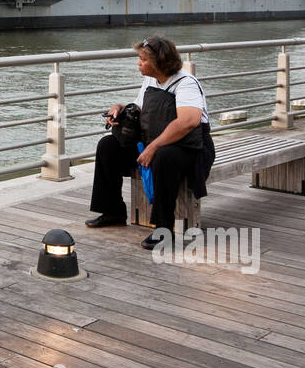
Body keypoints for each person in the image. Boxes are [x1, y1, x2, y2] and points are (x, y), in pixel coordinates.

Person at [86, 35, 215, 249]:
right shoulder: (151, 80)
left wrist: (153, 147)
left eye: (143, 59)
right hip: (155, 139)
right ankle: (113, 211)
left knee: (163, 157)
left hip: (191, 147)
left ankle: (164, 229)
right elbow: (140, 107)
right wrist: (119, 108)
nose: (138, 63)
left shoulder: (186, 83)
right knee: (107, 146)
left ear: (159, 63)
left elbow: (188, 121)